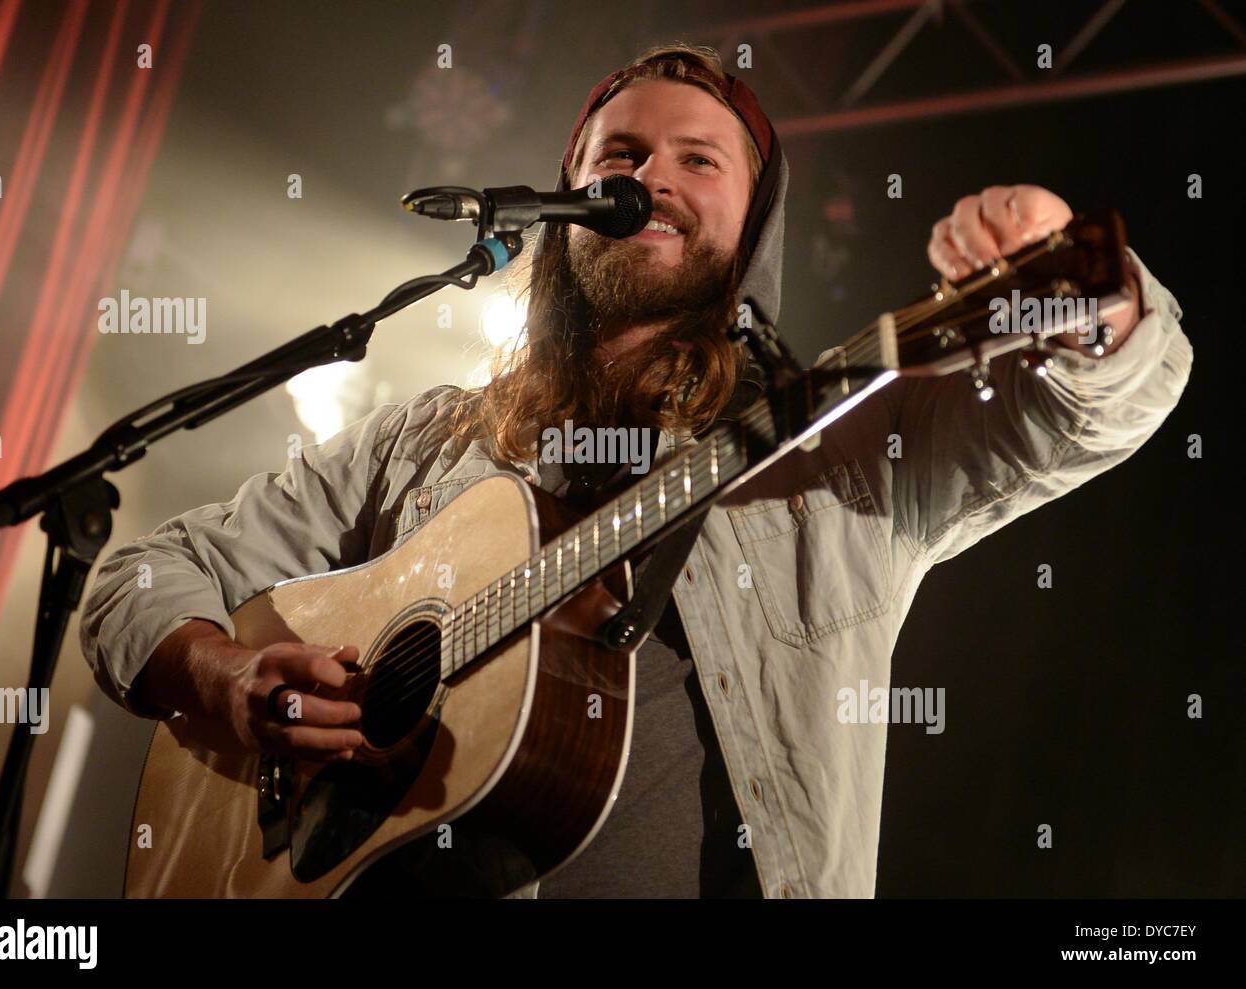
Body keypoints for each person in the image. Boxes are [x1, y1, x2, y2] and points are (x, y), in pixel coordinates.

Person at [80, 44, 1193, 898]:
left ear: (746, 224)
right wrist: (224, 678)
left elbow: (1097, 408)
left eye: (696, 160)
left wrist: (1085, 303)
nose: (649, 177)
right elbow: (138, 575)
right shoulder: (418, 439)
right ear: (563, 202)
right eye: (618, 156)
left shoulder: (834, 452)